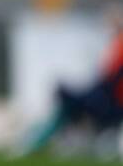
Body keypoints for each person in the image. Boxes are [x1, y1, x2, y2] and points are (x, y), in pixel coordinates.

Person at [21, 12, 123, 156]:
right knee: (66, 102)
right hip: (108, 99)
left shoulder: (120, 46)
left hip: (113, 103)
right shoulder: (116, 45)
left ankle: (34, 144)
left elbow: (111, 81)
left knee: (67, 103)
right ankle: (36, 141)